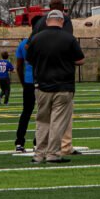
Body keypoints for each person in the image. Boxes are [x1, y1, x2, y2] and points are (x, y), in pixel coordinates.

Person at [24, 9, 84, 163]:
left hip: (42, 85)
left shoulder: (36, 39)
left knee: (42, 121)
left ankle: (39, 154)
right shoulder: (69, 38)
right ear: (62, 22)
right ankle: (53, 154)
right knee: (58, 121)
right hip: (63, 85)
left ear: (46, 21)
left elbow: (29, 59)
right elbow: (80, 60)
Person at [12, 26, 38, 155]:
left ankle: (19, 142)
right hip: (42, 82)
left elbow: (19, 66)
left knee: (26, 113)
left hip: (28, 82)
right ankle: (38, 142)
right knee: (44, 114)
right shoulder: (43, 42)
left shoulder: (23, 43)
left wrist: (23, 83)